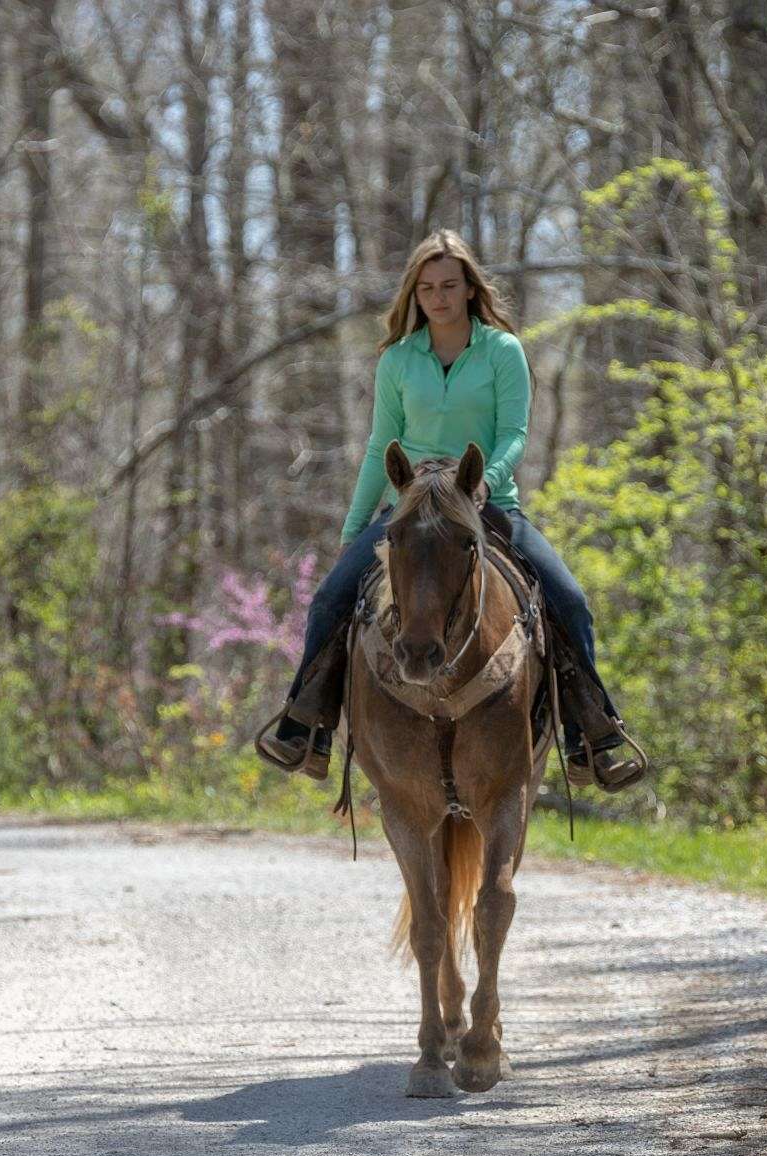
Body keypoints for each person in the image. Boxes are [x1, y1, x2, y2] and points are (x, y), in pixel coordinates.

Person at [256, 228, 645, 792]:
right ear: (414, 295)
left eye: (448, 285)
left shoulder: (502, 352)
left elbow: (513, 433)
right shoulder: (397, 359)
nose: (438, 297)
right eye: (426, 287)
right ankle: (306, 726)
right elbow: (378, 446)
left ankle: (593, 735)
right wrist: (353, 528)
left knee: (571, 601)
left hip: (486, 504)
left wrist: (484, 483)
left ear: (469, 289)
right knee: (331, 598)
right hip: (410, 510)